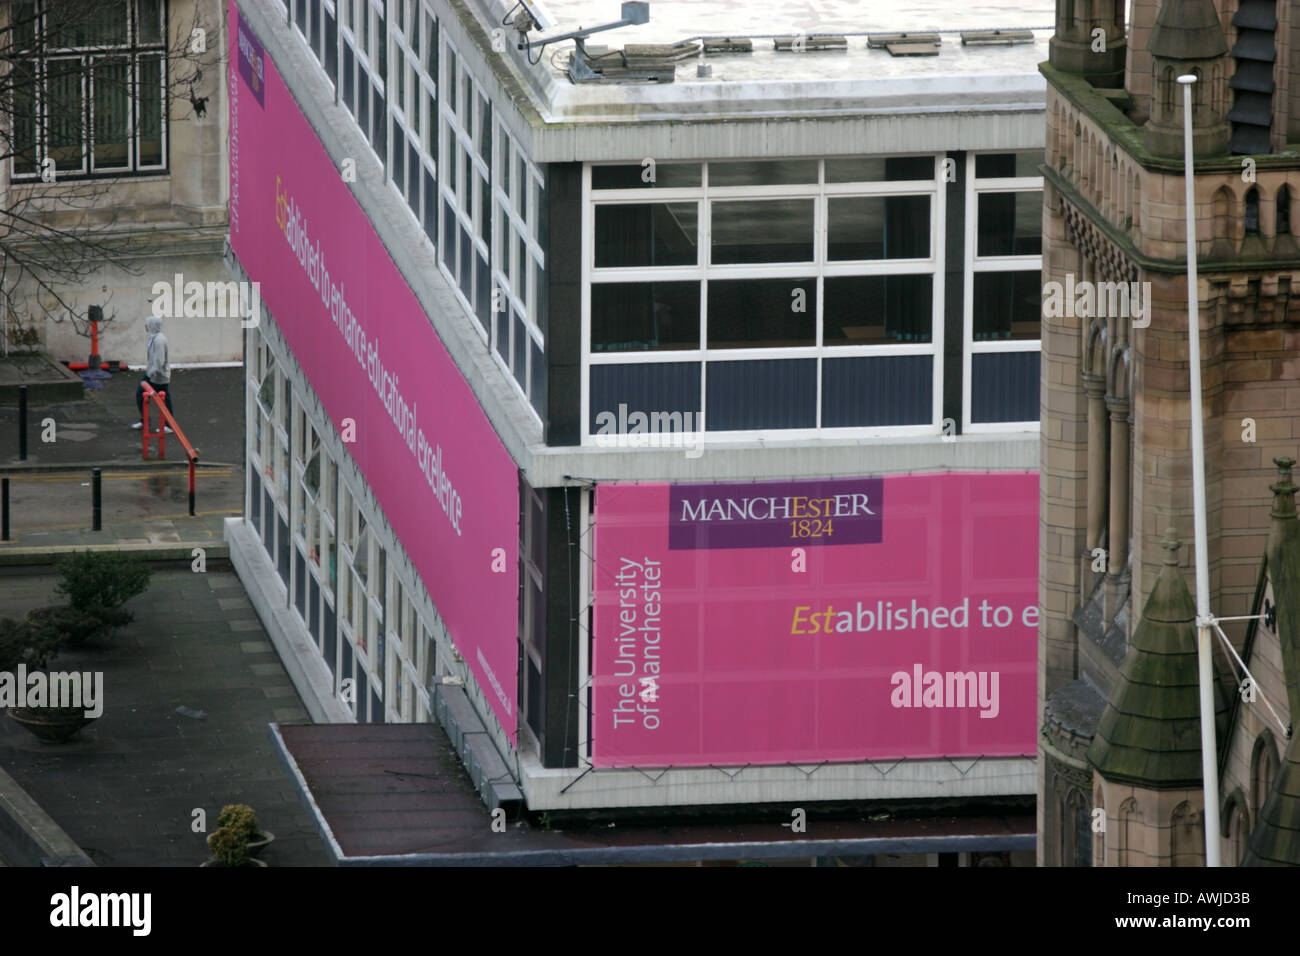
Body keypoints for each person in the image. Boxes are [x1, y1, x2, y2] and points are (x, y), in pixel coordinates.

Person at [133, 315, 174, 432]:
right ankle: (150, 421)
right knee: (160, 399)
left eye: (147, 324)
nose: (145, 326)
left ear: (152, 325)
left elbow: (159, 361)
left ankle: (167, 425)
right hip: (154, 374)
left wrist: (150, 375)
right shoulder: (154, 337)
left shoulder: (159, 340)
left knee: (163, 399)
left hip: (158, 376)